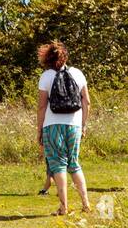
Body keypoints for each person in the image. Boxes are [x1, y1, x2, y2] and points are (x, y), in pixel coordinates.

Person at [36, 41, 90, 216]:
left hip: (52, 125)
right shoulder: (78, 73)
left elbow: (42, 106)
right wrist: (83, 125)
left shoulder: (46, 76)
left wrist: (39, 130)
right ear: (65, 56)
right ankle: (86, 204)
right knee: (74, 164)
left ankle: (64, 207)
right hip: (74, 124)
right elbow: (86, 101)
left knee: (58, 166)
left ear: (47, 58)